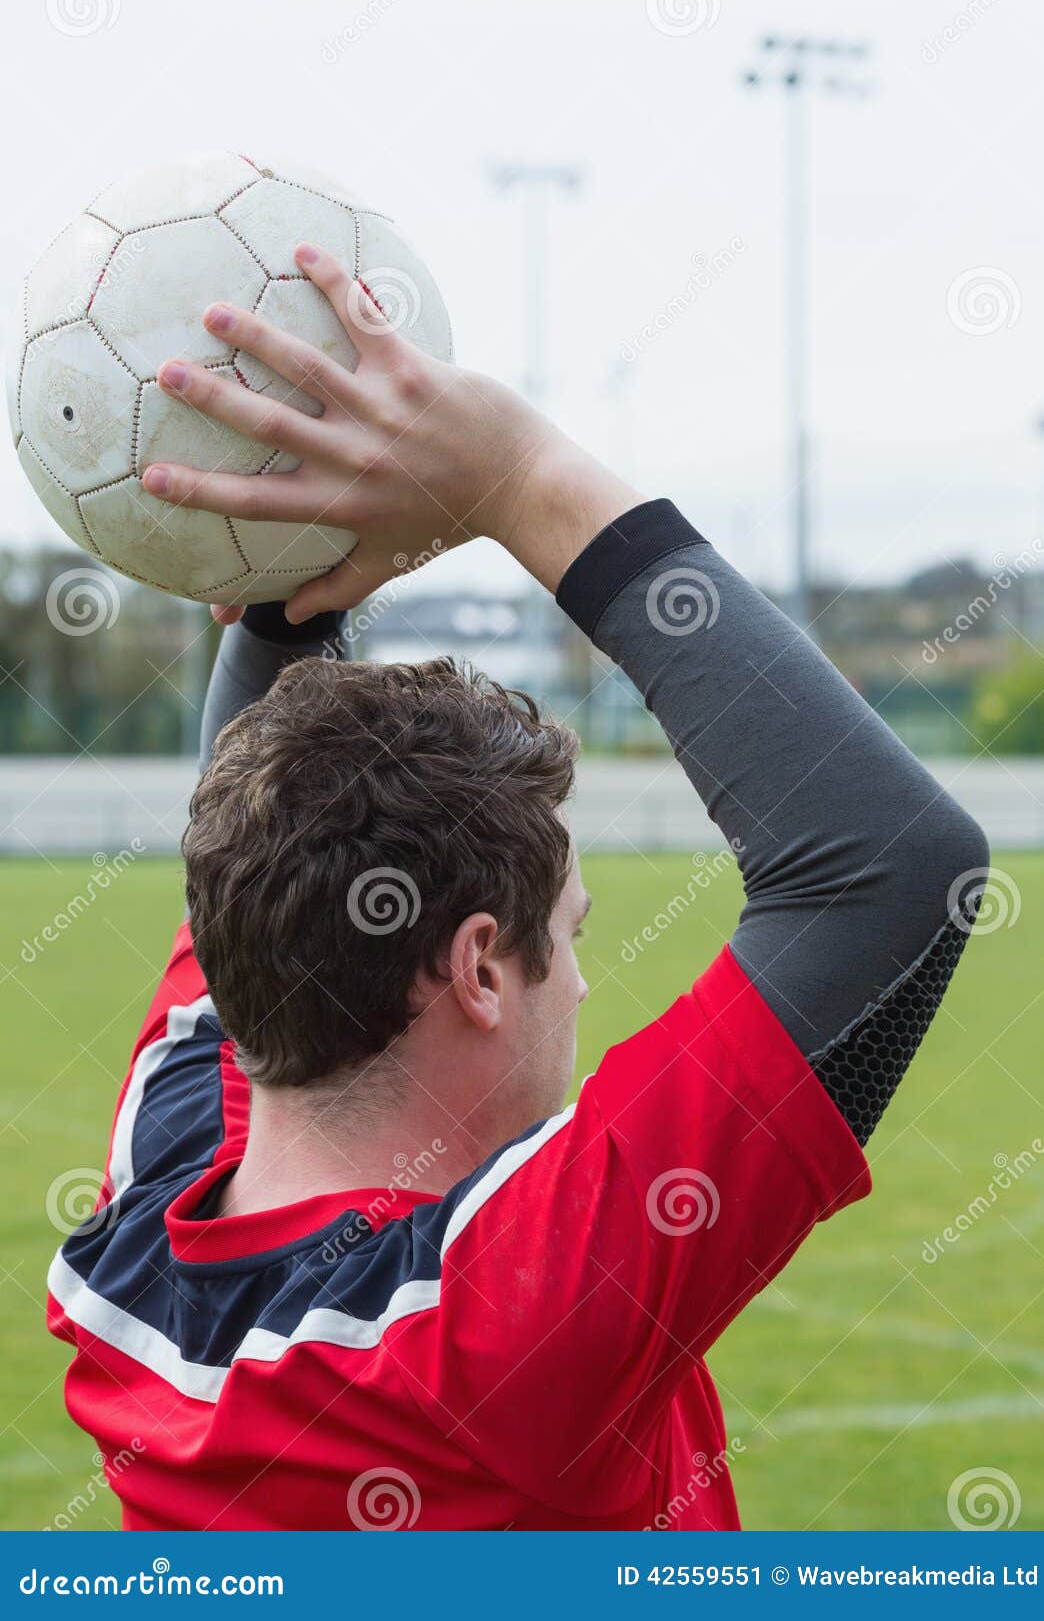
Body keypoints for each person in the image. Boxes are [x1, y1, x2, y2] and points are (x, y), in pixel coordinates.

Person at [46, 244, 989, 1530]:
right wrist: (513, 475)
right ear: (479, 967)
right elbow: (886, 869)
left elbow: (257, 825)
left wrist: (293, 580)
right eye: (571, 935)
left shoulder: (152, 1217)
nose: (587, 977)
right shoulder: (480, 1342)